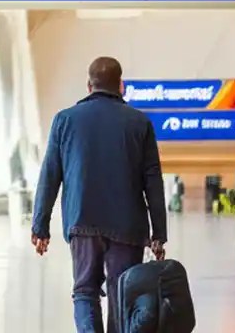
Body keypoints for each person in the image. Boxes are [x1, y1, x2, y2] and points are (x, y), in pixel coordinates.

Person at [31, 56, 168, 333]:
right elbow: (153, 180)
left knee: (84, 291)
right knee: (122, 293)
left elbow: (49, 175)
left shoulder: (64, 120)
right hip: (128, 225)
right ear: (122, 85)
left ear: (88, 85)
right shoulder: (140, 123)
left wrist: (40, 226)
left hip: (82, 221)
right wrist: (158, 233)